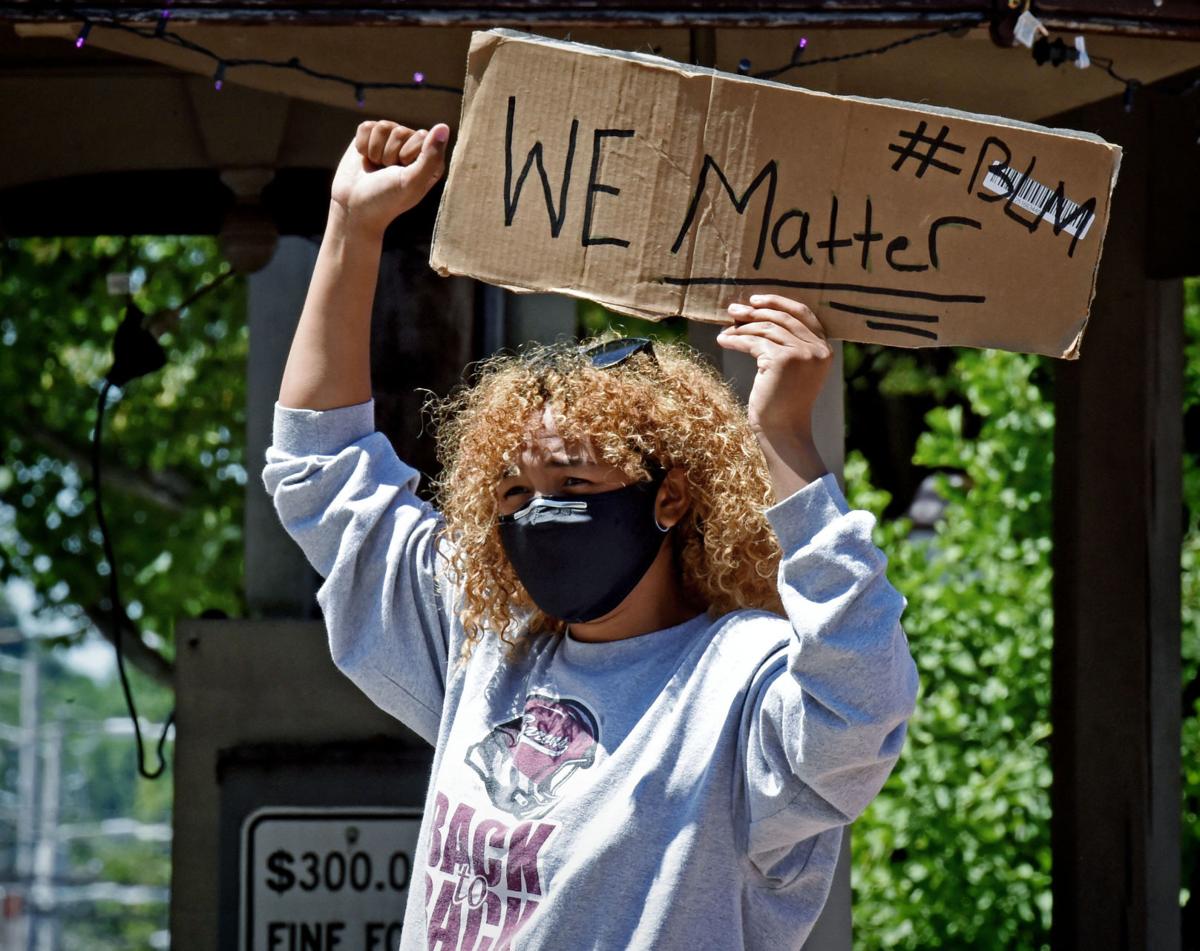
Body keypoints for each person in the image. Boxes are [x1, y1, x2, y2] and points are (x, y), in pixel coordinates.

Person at [263, 119, 919, 951]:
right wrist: (352, 231)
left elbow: (862, 705)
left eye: (574, 483)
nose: (538, 510)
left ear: (671, 498)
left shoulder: (737, 681)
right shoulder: (486, 647)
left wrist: (784, 438)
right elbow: (323, 475)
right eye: (512, 490)